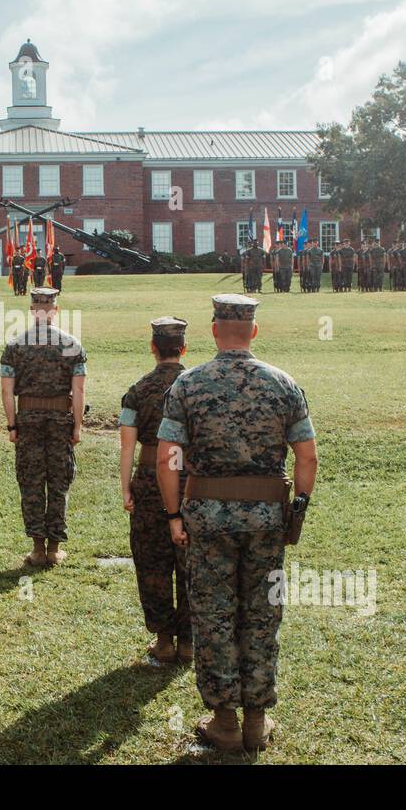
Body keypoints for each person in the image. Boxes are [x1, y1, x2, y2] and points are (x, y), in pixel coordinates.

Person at [156, 294, 318, 753]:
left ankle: (224, 721)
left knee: (213, 616)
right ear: (253, 332)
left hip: (206, 518)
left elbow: (169, 460)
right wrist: (297, 510)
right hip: (267, 519)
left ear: (213, 331)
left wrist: (172, 515)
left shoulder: (189, 385)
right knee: (262, 615)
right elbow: (306, 456)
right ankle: (256, 719)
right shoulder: (282, 383)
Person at [120, 316, 191, 665]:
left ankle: (164, 641)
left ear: (153, 348)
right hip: (190, 480)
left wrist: (126, 488)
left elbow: (127, 446)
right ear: (184, 348)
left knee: (152, 561)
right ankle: (190, 641)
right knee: (190, 559)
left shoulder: (138, 390)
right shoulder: (196, 385)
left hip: (149, 477)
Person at [0, 287, 86, 567]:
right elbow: (79, 391)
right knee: (59, 482)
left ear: (32, 310)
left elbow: (6, 391)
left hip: (27, 419)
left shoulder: (15, 346)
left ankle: (37, 549)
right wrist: (77, 426)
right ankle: (54, 549)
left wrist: (12, 425)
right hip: (61, 419)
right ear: (55, 310)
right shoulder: (72, 344)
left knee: (32, 481)